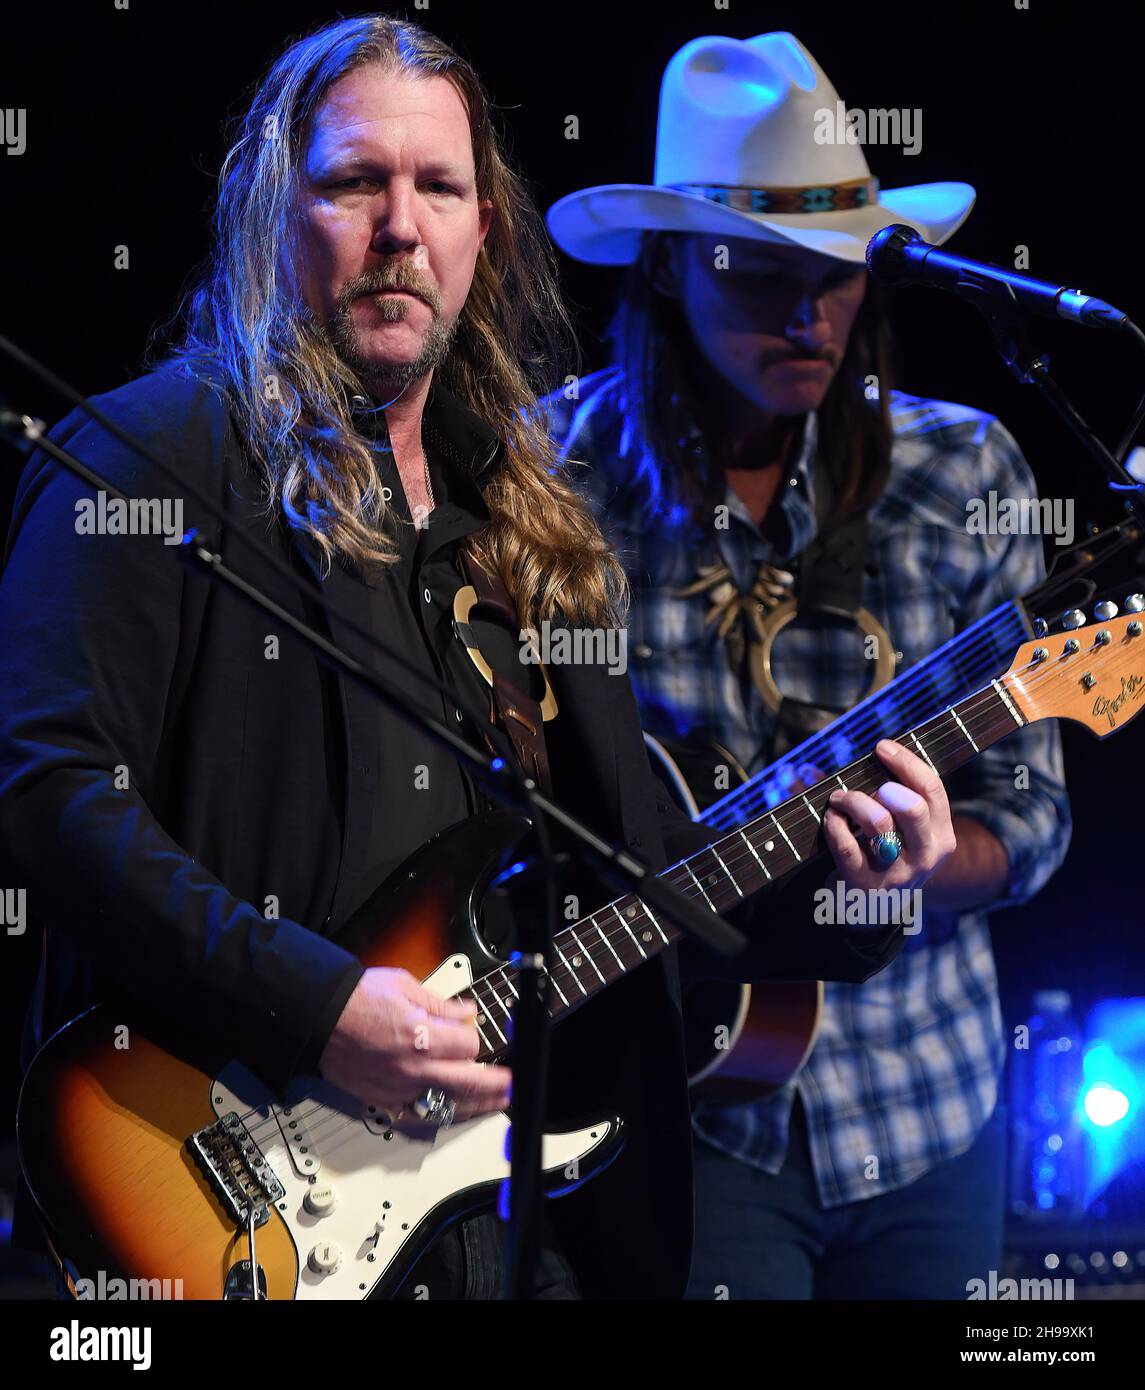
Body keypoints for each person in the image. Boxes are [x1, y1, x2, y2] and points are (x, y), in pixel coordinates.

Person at [0, 16, 954, 1301]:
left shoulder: (526, 518)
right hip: (225, 1190)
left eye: (439, 187)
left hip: (502, 1228)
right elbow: (45, 792)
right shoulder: (147, 458)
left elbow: (648, 880)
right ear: (275, 208)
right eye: (354, 181)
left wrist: (858, 893)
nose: (401, 225)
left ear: (481, 232)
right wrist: (319, 1000)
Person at [544, 31, 1071, 1299]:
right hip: (679, 1112)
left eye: (838, 278)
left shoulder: (963, 473)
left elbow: (1034, 817)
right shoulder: (547, 483)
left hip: (923, 1103)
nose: (808, 314)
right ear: (670, 266)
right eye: (765, 273)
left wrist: (932, 869)